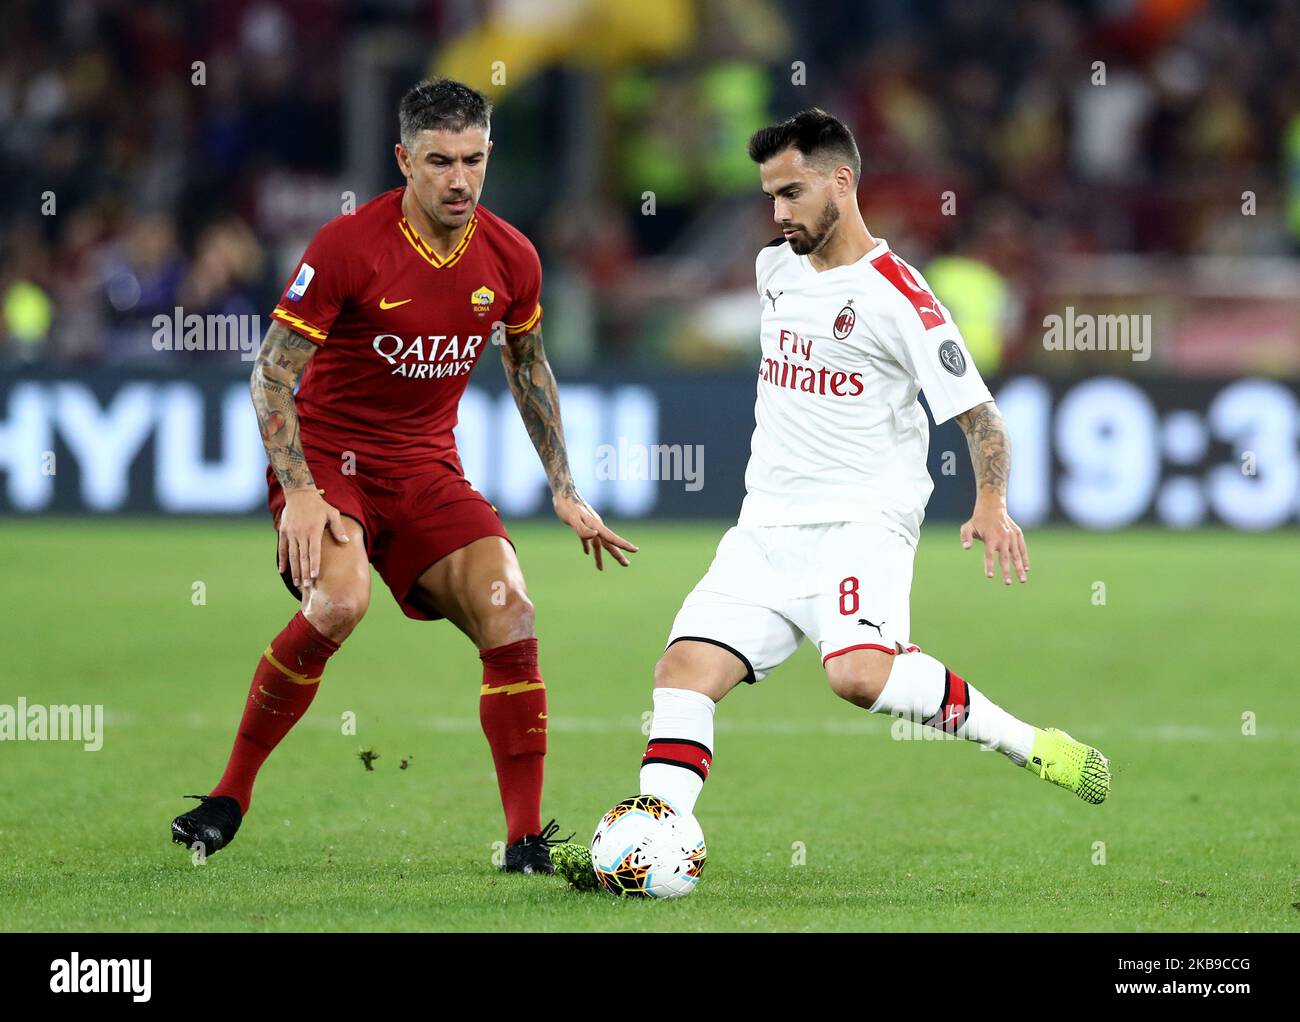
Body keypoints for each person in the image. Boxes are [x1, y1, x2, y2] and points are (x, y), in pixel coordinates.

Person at [171, 78, 636, 875]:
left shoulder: (511, 256)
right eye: (440, 162)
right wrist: (302, 493)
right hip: (330, 464)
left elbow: (529, 367)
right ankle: (229, 797)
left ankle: (523, 843)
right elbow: (271, 376)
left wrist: (565, 487)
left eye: (475, 160)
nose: (460, 180)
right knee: (340, 602)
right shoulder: (349, 245)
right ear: (404, 160)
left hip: (425, 469)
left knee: (512, 613)